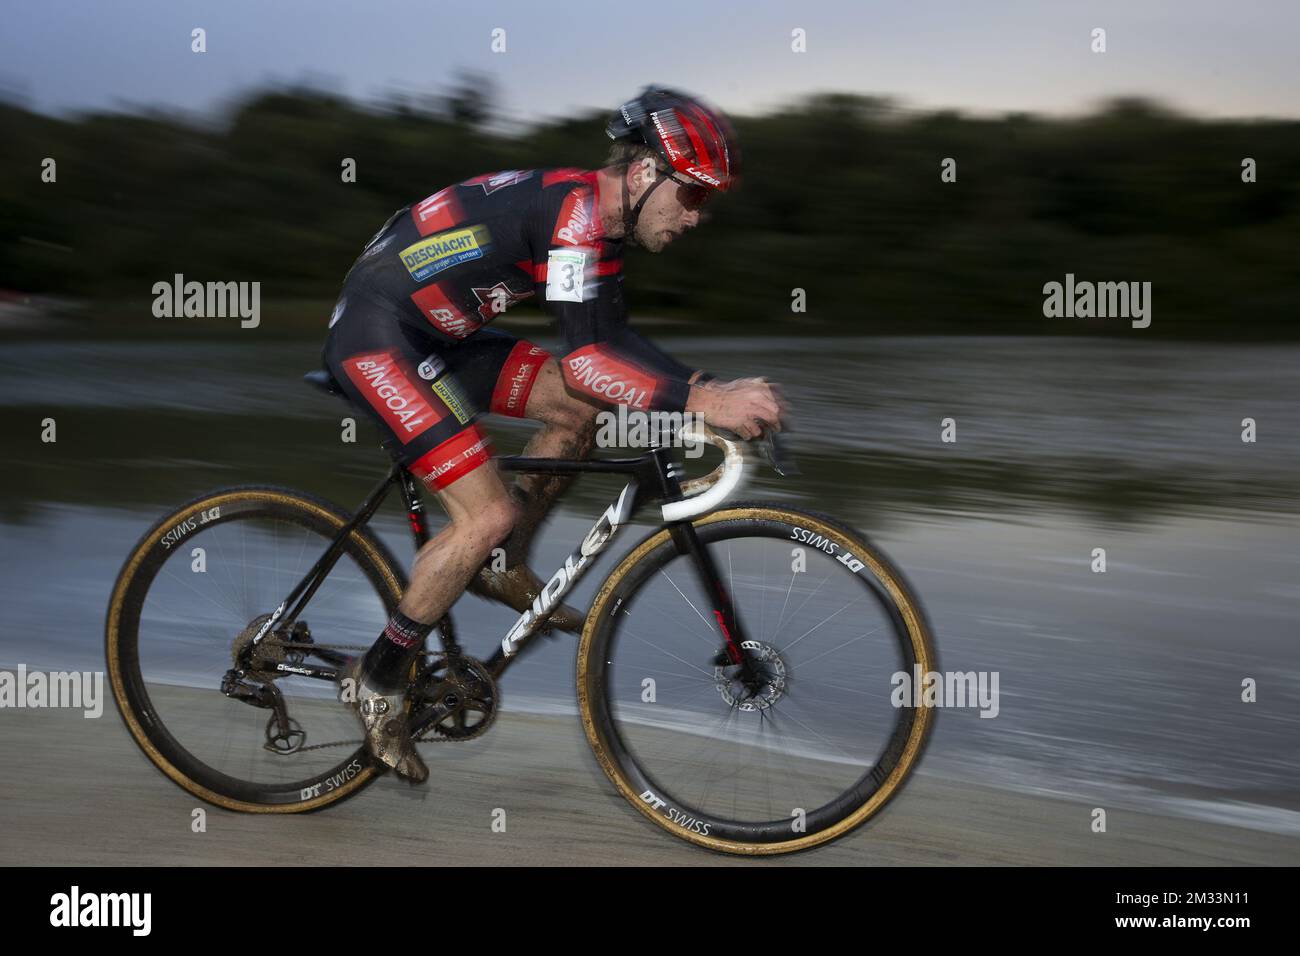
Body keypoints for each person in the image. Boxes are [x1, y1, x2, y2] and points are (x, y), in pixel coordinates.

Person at [322, 86, 785, 782]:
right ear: (643, 173)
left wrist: (703, 385)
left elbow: (612, 344)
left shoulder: (595, 222)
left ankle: (499, 566)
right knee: (489, 510)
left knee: (580, 412)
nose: (697, 217)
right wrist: (706, 402)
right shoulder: (576, 217)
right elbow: (589, 363)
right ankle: (379, 674)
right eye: (691, 196)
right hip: (379, 336)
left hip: (437, 334)